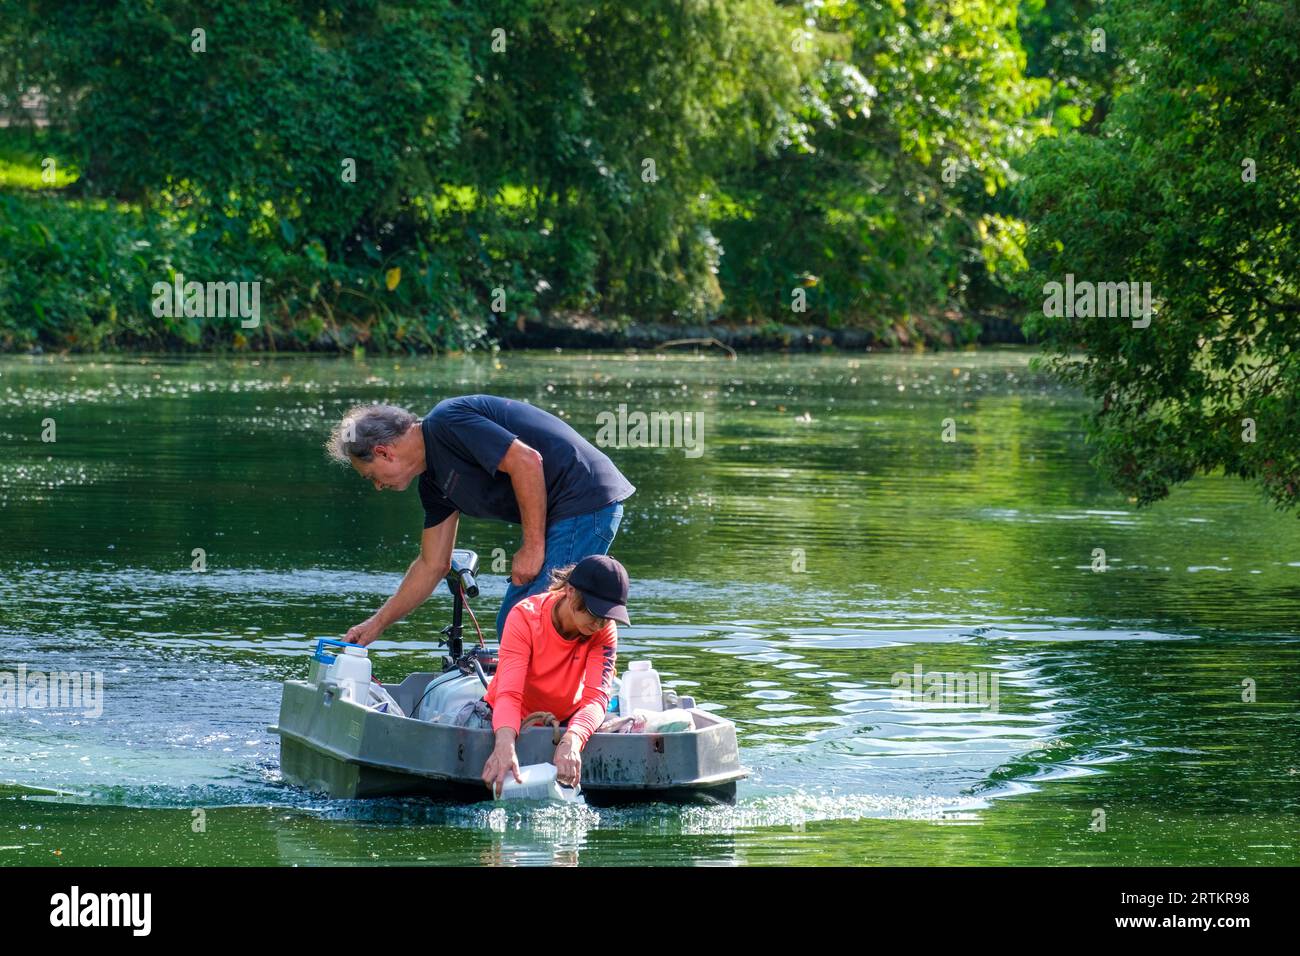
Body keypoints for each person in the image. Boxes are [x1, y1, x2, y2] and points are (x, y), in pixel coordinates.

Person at [324, 396, 634, 644]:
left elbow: (527, 461)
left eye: (371, 477)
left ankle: (561, 708)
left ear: (383, 452)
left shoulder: (448, 421)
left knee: (538, 623)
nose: (378, 487)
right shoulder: (433, 484)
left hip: (585, 497)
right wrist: (377, 623)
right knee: (512, 622)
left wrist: (532, 547)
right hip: (565, 512)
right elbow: (432, 565)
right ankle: (522, 708)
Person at [480, 555, 629, 797]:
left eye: (608, 616)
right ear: (570, 591)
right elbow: (509, 694)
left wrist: (572, 739)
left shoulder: (603, 630)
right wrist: (504, 744)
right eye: (594, 612)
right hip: (511, 717)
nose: (600, 624)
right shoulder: (524, 618)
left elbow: (596, 699)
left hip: (567, 720)